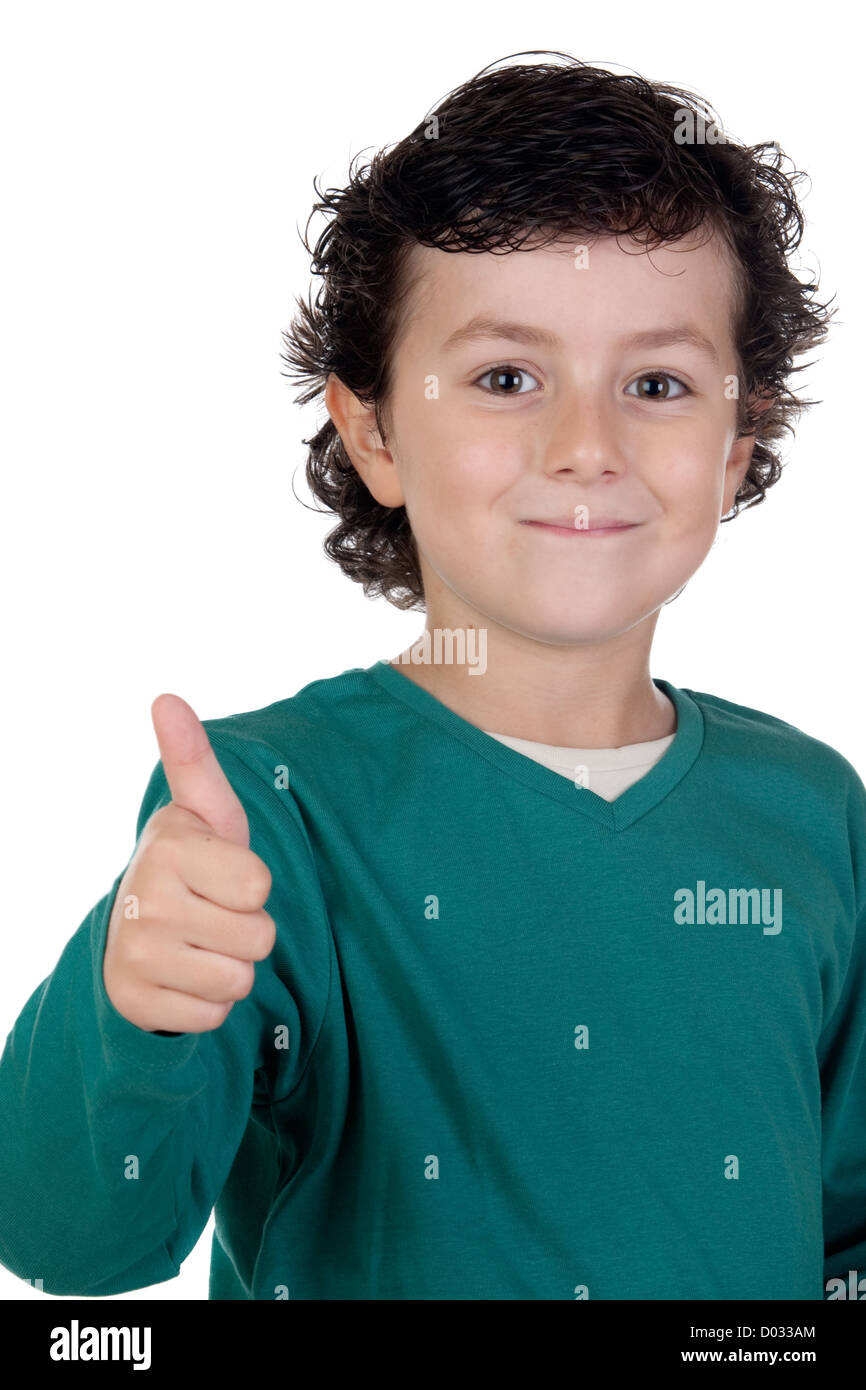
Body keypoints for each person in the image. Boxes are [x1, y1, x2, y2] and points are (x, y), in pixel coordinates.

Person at [1, 51, 862, 1301]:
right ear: (375, 433)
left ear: (735, 449)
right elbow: (75, 1239)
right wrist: (135, 1003)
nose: (584, 447)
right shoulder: (262, 813)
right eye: (507, 378)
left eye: (658, 384)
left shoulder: (813, 813)